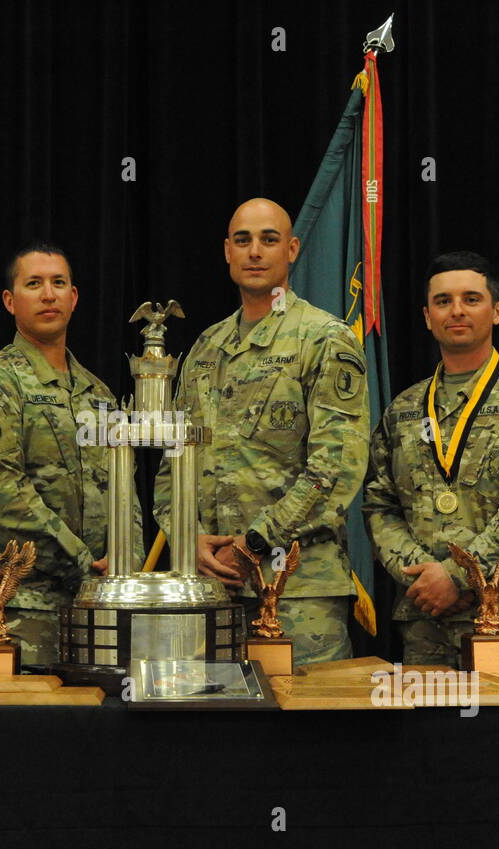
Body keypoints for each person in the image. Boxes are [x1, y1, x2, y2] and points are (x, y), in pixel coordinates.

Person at [153, 198, 370, 666]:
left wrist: (252, 544)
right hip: (212, 587)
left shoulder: (324, 338)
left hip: (296, 589)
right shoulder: (205, 348)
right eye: (243, 240)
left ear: (291, 250)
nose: (255, 251)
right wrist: (185, 536)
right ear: (226, 251)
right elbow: (174, 463)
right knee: (213, 732)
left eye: (269, 240)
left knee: (305, 733)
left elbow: (335, 468)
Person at [362, 251, 499, 669]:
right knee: (432, 737)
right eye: (443, 301)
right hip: (427, 623)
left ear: (497, 311)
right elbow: (380, 505)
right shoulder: (403, 409)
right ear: (427, 316)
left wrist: (457, 576)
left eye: (471, 299)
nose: (456, 310)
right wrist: (424, 580)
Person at [0, 243, 140, 665]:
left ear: (74, 297)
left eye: (58, 283)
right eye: (34, 284)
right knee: (26, 728)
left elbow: (127, 495)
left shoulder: (101, 396)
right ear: (10, 301)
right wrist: (84, 566)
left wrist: (127, 569)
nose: (48, 294)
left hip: (103, 610)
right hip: (18, 612)